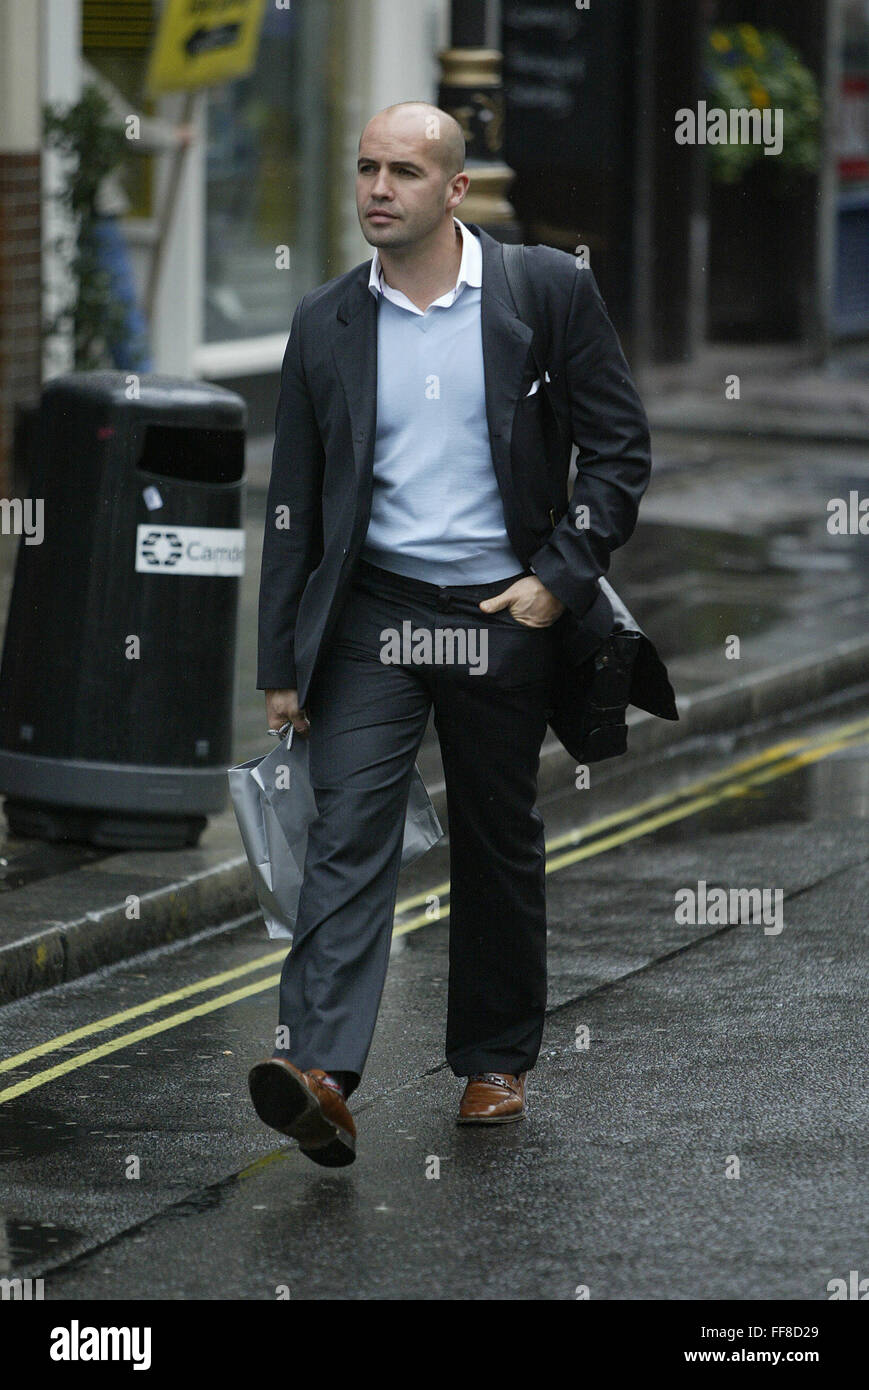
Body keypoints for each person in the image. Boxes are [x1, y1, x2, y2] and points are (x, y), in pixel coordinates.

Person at [249, 101, 652, 1166]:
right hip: (373, 614)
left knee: (493, 837)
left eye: (404, 172)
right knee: (346, 833)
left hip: (496, 612)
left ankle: (492, 1058)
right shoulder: (325, 320)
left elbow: (617, 451)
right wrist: (280, 662)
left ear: (455, 189)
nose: (378, 189)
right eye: (366, 169)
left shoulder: (543, 291)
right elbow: (292, 504)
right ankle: (319, 1071)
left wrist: (554, 584)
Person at [80, 58, 194, 371]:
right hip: (92, 211)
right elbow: (125, 125)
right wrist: (173, 136)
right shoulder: (73, 70)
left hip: (82, 208)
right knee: (119, 312)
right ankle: (141, 389)